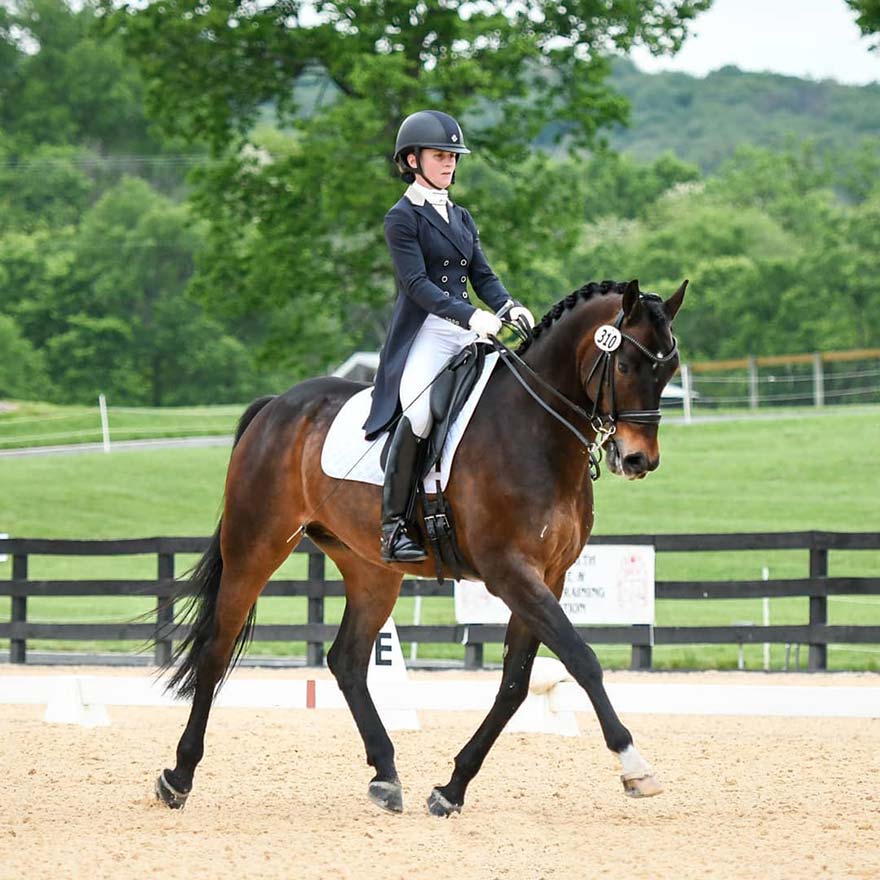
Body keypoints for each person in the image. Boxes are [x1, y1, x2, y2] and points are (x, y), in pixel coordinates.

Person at [363, 109, 535, 563]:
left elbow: (483, 274)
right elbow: (416, 286)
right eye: (440, 155)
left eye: (453, 157)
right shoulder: (401, 218)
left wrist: (507, 305)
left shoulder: (461, 216)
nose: (449, 164)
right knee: (419, 414)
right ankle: (394, 527)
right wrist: (471, 316)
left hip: (469, 328)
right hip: (427, 332)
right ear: (413, 160)